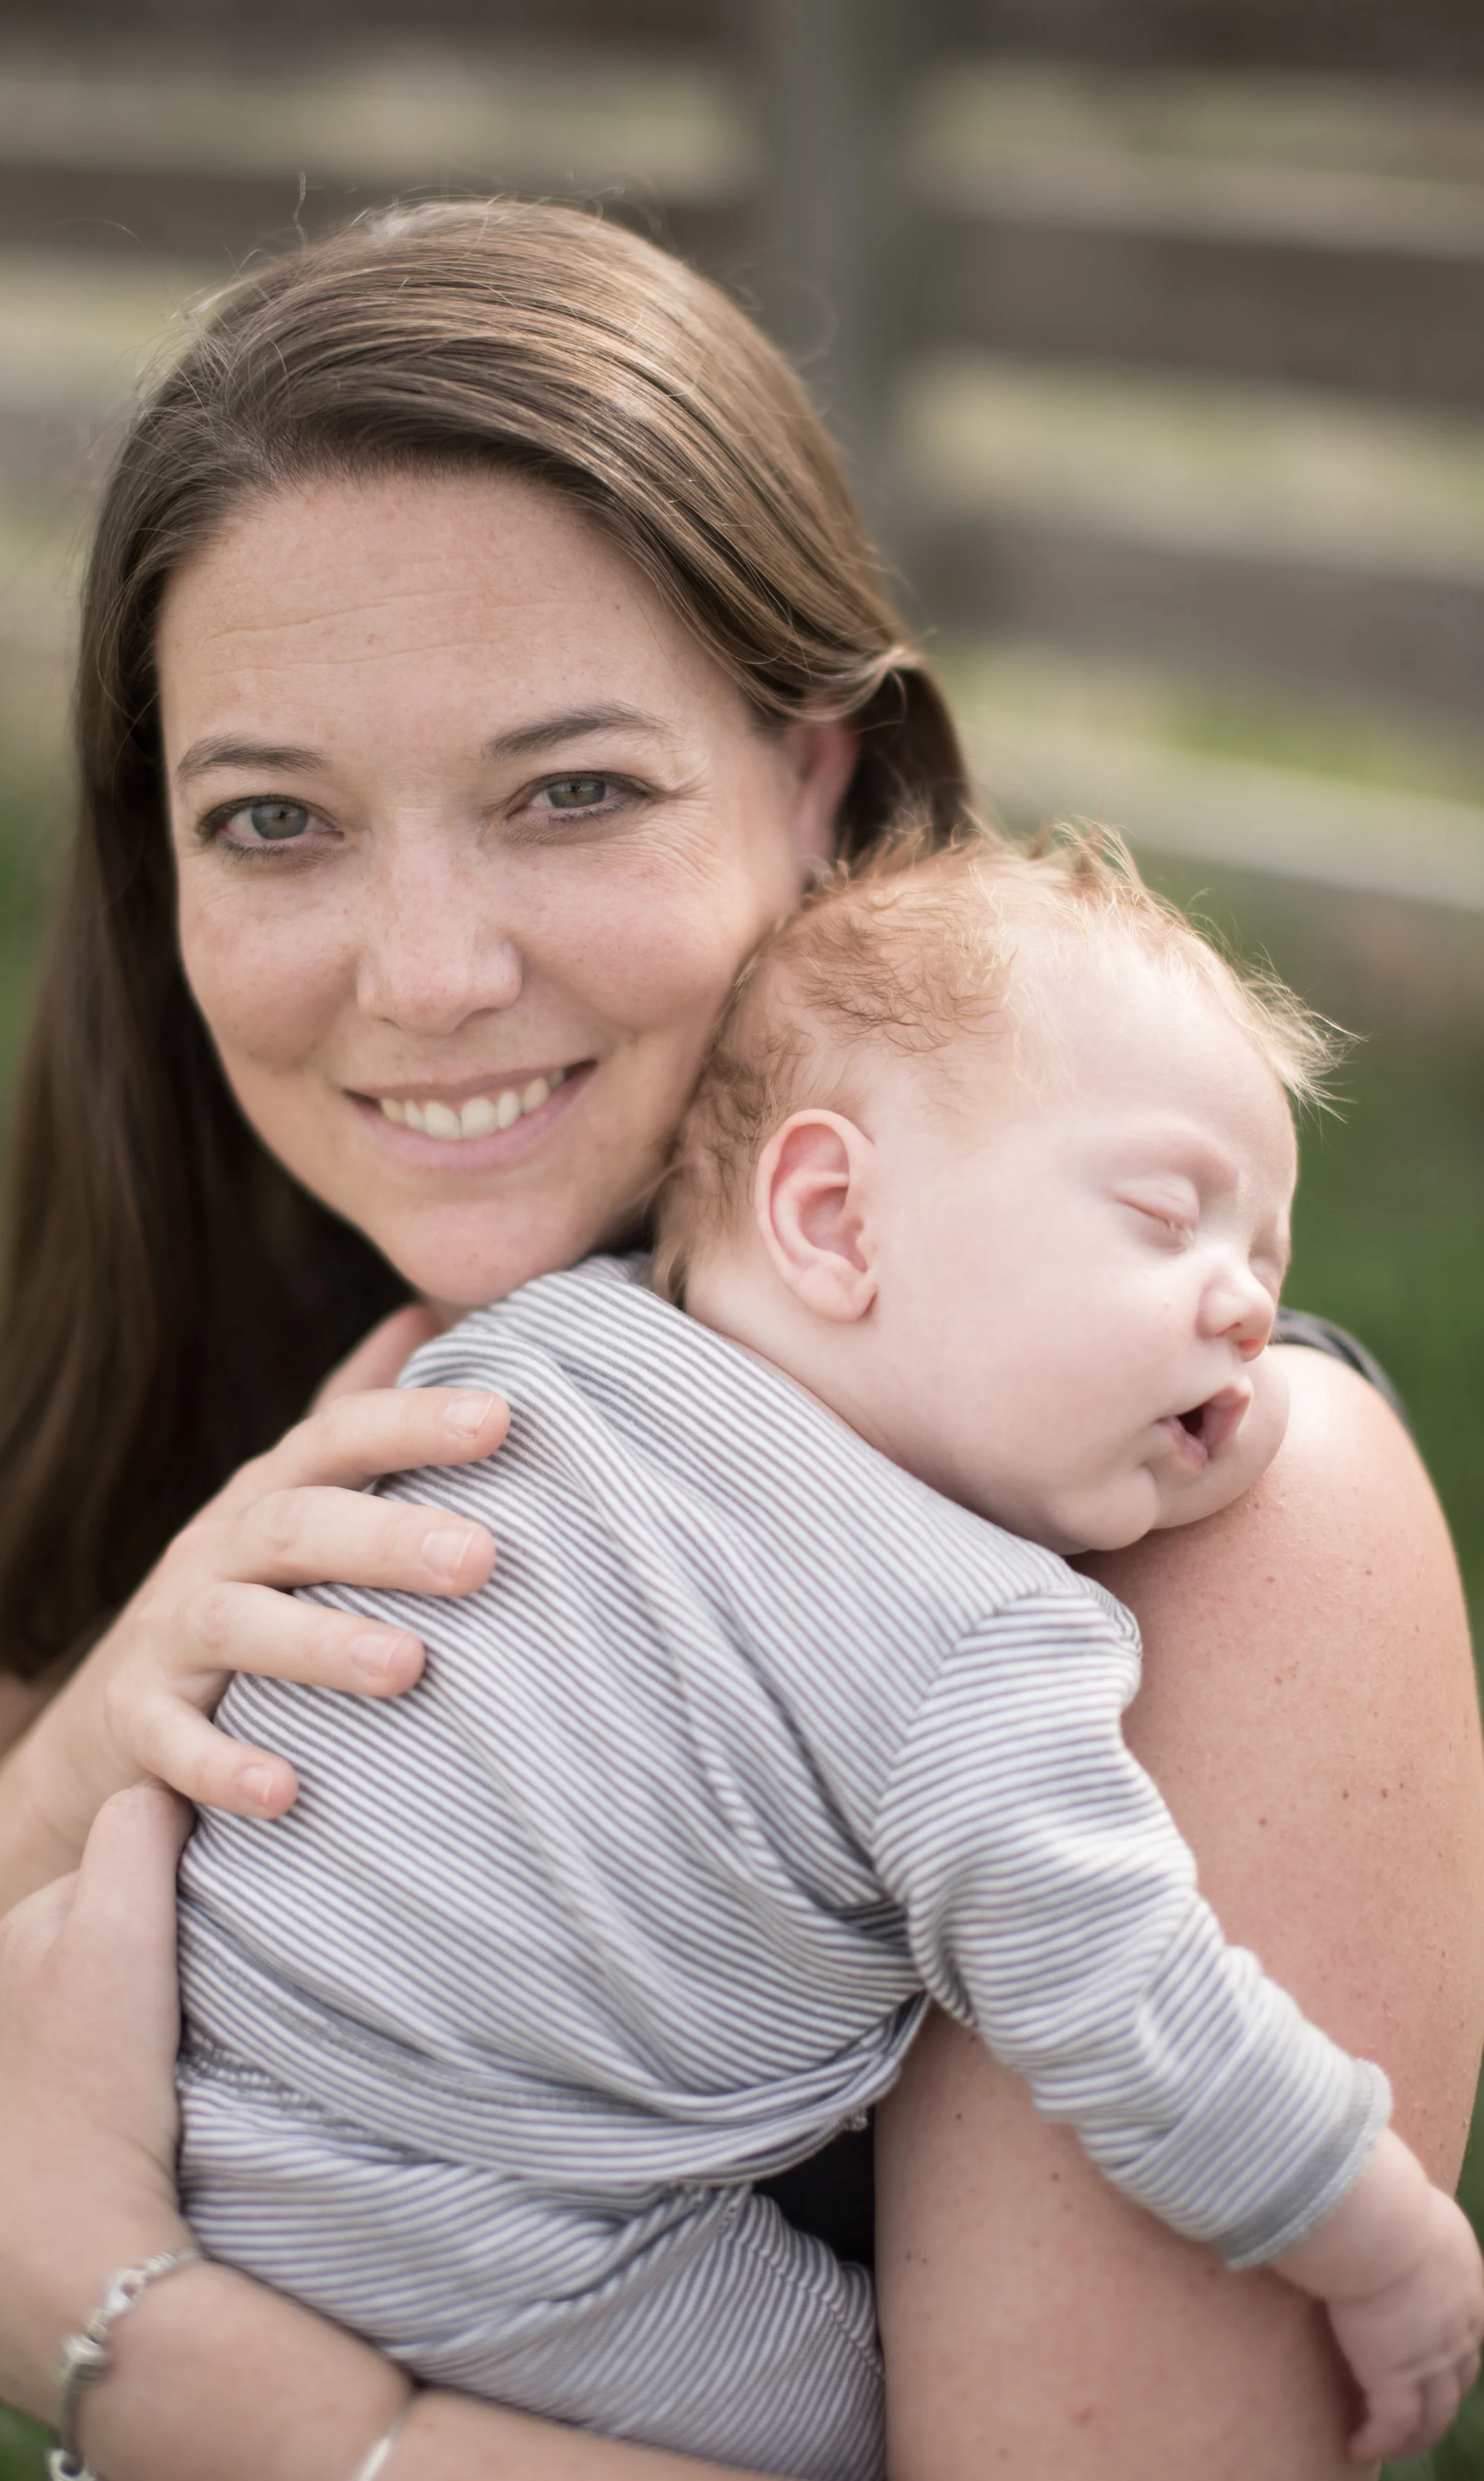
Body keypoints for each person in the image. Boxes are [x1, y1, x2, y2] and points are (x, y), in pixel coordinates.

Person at [0, 201, 1480, 2481]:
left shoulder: (1214, 1523)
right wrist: (113, 1731)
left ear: (820, 780)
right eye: (272, 821)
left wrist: (240, 2402)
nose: (427, 970)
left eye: (571, 788)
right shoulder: (342, 1394)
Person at [169, 827, 1482, 2478]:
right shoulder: (971, 1643)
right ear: (830, 1217)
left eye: (1263, 1263)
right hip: (493, 2250)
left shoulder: (526, 1351)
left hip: (194, 2086)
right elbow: (1139, 2018)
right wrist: (1375, 2234)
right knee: (868, 2426)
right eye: (1166, 1220)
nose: (1242, 1308)